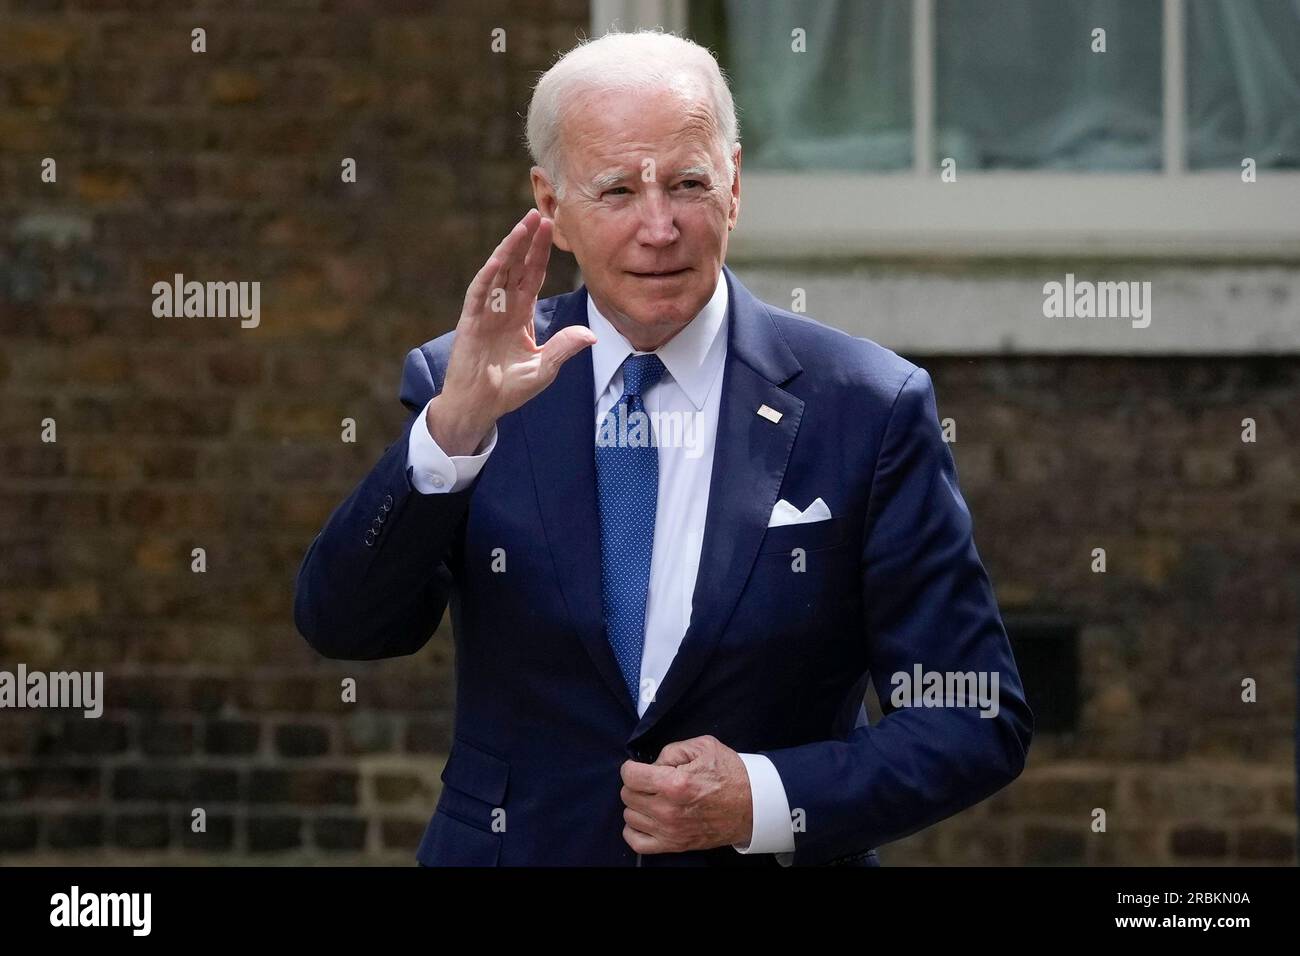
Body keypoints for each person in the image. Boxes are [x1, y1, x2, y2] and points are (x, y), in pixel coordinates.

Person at [293, 29, 1032, 867]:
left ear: (735, 187)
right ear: (551, 205)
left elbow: (975, 718)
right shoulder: (471, 384)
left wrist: (762, 798)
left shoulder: (866, 406)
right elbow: (345, 624)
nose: (659, 227)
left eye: (688, 183)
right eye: (615, 190)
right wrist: (451, 435)